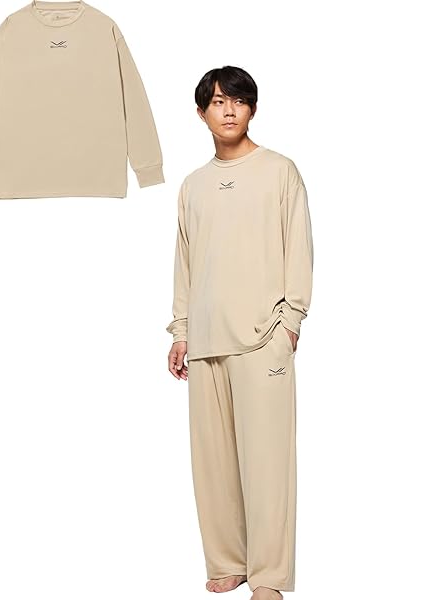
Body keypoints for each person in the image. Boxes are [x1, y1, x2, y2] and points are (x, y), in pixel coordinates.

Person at [166, 65, 314, 599]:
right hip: (206, 340)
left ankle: (269, 576)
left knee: (267, 464)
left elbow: (298, 247)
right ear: (201, 112)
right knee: (214, 466)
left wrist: (289, 324)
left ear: (252, 108)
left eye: (238, 101)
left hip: (262, 339)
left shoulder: (279, 171)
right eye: (217, 101)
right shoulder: (193, 186)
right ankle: (228, 561)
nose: (228, 110)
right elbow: (185, 264)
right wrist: (181, 330)